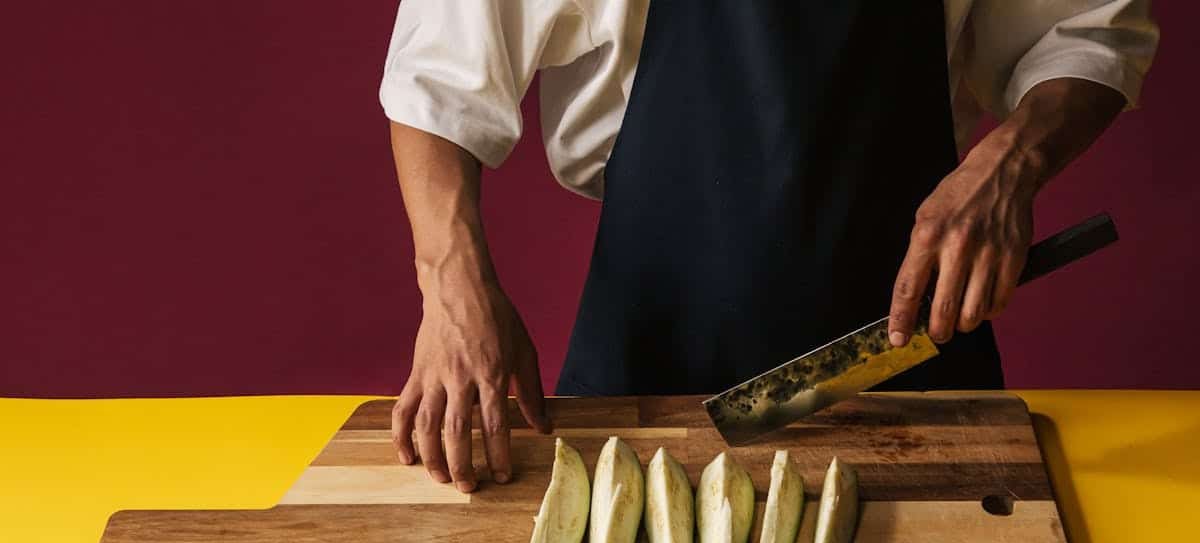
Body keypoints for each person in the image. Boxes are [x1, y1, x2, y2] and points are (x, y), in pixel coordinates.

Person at [379, 1, 1158, 493]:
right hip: (649, 363)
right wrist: (451, 285)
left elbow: (1087, 30)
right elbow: (438, 73)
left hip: (913, 363)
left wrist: (1011, 161)